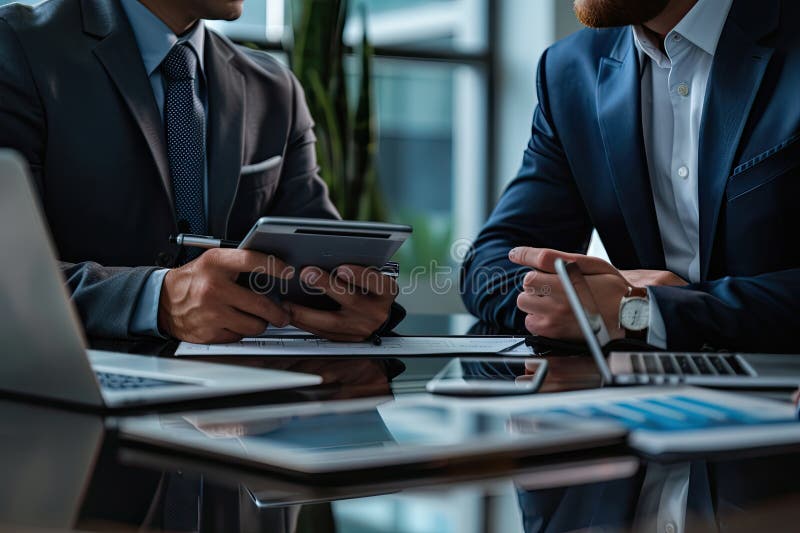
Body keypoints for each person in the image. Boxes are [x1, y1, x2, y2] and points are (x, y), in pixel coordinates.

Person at [0, 0, 401, 344]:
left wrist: (358, 302)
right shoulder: (18, 47)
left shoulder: (275, 89)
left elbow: (325, 262)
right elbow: (9, 275)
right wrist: (155, 300)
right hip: (71, 390)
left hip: (247, 394)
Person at [462, 0, 800, 352]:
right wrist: (583, 301)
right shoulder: (571, 70)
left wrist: (649, 311)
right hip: (638, 378)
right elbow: (489, 265)